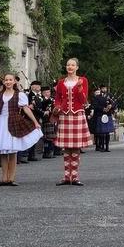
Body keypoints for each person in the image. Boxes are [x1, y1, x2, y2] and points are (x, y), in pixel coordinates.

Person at [0, 75, 43, 186]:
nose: (8, 82)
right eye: (6, 80)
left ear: (14, 81)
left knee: (13, 150)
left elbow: (26, 109)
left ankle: (11, 178)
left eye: (10, 80)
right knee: (3, 151)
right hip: (0, 123)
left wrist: (35, 122)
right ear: (4, 82)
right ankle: (4, 178)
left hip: (14, 122)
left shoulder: (20, 95)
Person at [53, 58, 93, 186]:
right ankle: (66, 176)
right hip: (64, 115)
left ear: (77, 67)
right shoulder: (61, 82)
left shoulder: (83, 80)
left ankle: (74, 176)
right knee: (66, 147)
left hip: (77, 115)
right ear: (66, 67)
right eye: (68, 65)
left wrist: (80, 88)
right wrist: (57, 106)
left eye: (72, 65)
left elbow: (83, 100)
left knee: (76, 147)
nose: (70, 67)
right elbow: (58, 98)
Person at [35, 86, 57, 158]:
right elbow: (39, 108)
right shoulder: (40, 100)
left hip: (52, 119)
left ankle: (51, 152)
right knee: (46, 137)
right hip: (44, 119)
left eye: (49, 92)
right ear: (42, 93)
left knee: (51, 136)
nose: (47, 93)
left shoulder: (52, 100)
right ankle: (46, 152)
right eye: (46, 92)